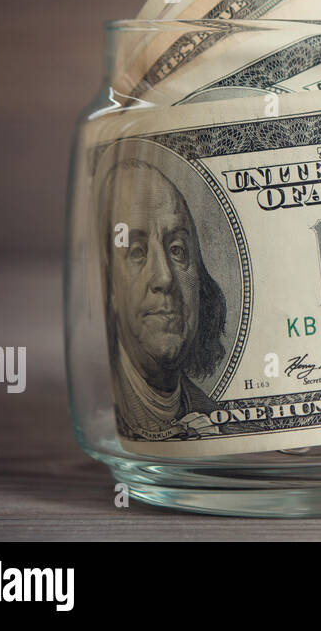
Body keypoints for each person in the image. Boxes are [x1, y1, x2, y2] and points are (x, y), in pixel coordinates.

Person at [99, 159, 227, 440]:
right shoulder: (108, 409)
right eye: (136, 252)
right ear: (107, 282)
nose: (165, 278)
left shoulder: (212, 413)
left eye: (178, 249)